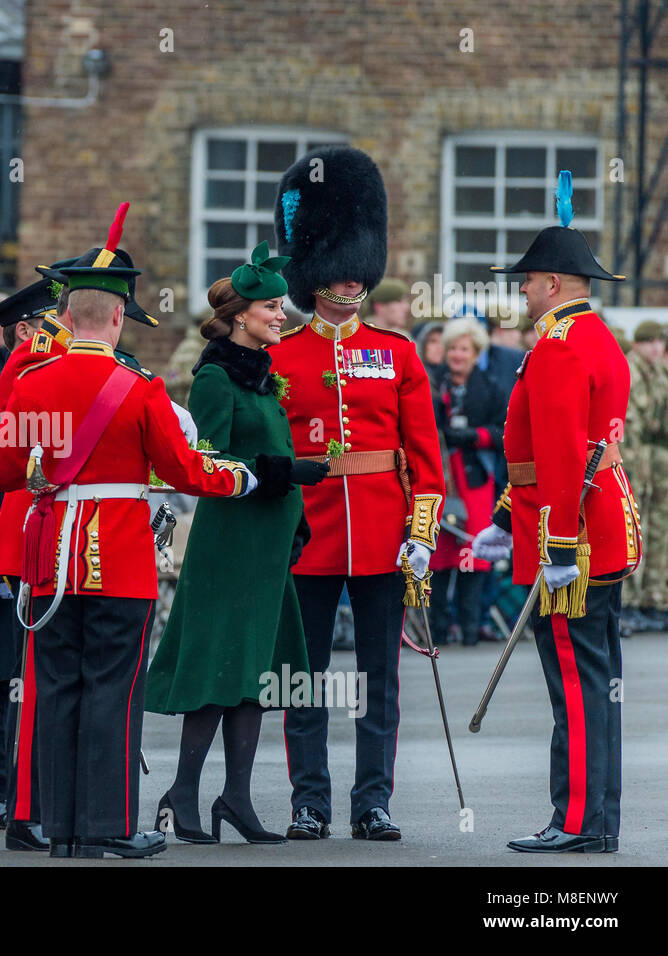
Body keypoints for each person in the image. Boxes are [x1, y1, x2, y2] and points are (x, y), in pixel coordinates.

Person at [0, 211, 257, 859]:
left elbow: (2, 472)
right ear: (115, 319)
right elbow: (185, 472)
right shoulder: (139, 388)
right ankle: (106, 826)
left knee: (56, 691)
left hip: (52, 556)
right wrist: (241, 480)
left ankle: (60, 829)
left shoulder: (31, 383)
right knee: (112, 692)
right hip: (119, 559)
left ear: (67, 317)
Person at [268, 146, 445, 842]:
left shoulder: (396, 352)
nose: (348, 282)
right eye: (335, 271)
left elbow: (424, 458)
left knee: (379, 681)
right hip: (307, 534)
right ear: (311, 275)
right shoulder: (279, 355)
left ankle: (373, 800)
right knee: (303, 680)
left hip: (381, 531)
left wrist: (423, 532)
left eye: (354, 271)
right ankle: (309, 800)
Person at [146, 243, 328, 845]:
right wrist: (285, 472)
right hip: (230, 547)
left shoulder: (263, 378)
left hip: (267, 547)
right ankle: (184, 792)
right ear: (243, 314)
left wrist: (293, 495)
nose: (284, 315)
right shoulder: (216, 378)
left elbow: (261, 451)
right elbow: (208, 464)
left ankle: (238, 799)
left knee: (254, 675)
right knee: (218, 671)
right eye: (273, 307)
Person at [474, 194, 637, 853]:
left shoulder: (563, 345)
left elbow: (567, 454)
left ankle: (578, 822)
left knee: (575, 684)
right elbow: (541, 453)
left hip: (574, 535)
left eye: (526, 281)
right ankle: (595, 819)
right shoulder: (592, 336)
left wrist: (559, 544)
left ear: (550, 283)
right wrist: (506, 518)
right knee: (594, 682)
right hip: (587, 521)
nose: (522, 292)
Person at [0, 276, 73, 852]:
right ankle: (25, 811)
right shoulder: (34, 356)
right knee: (39, 683)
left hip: (70, 529)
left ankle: (51, 803)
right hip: (36, 525)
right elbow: (31, 439)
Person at [427, 317, 507, 646]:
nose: (457, 355)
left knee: (470, 553)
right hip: (441, 477)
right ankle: (440, 631)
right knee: (441, 554)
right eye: (453, 349)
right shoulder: (434, 385)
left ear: (476, 353)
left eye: (464, 349)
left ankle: (471, 629)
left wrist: (475, 435)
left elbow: (504, 432)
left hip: (474, 480)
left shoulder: (491, 388)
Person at [617, 320, 667, 633]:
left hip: (657, 466)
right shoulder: (631, 371)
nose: (656, 348)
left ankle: (654, 598)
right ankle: (629, 601)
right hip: (636, 463)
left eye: (659, 342)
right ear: (637, 344)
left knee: (659, 534)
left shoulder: (660, 374)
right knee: (634, 530)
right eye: (650, 342)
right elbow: (631, 427)